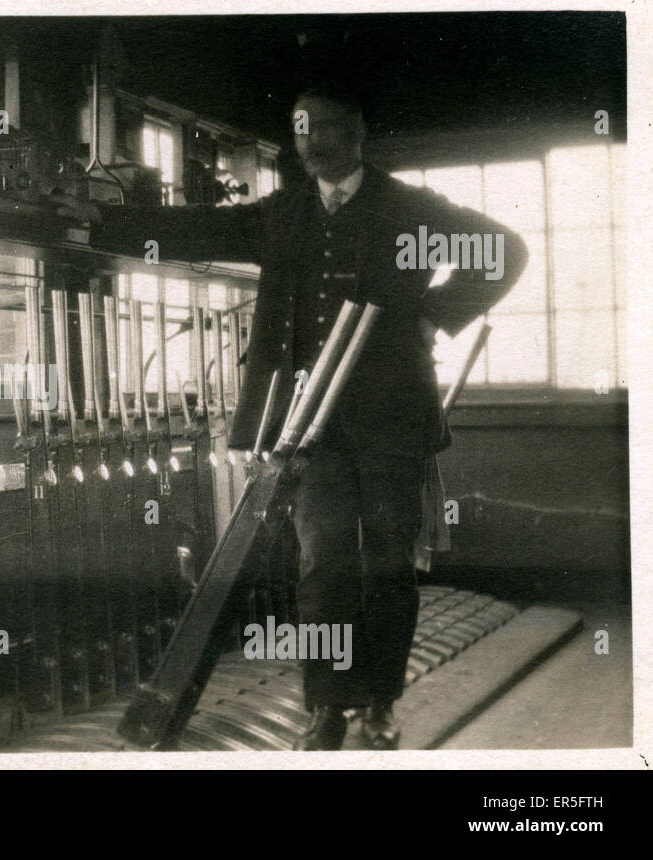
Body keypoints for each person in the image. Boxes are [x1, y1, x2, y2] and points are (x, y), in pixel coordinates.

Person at [56, 81, 527, 750]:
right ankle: (329, 706)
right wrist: (103, 220)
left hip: (392, 419)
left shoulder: (408, 209)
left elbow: (504, 250)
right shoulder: (284, 215)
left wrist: (435, 314)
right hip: (309, 425)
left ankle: (380, 704)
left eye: (326, 127)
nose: (311, 140)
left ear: (358, 131)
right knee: (323, 565)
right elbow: (196, 226)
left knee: (388, 564)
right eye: (301, 128)